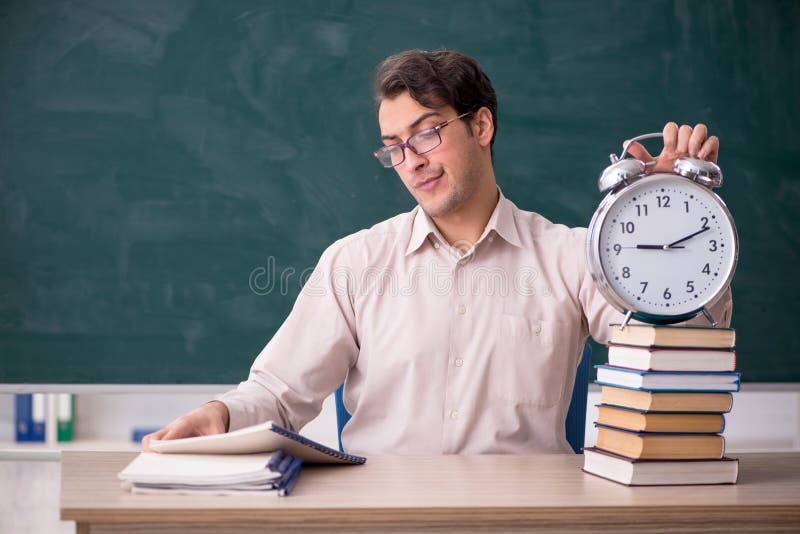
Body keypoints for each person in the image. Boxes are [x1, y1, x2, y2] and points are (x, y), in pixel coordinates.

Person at [143, 49, 731, 454]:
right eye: (394, 147)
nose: (412, 160)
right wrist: (218, 416)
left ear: (481, 127)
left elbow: (674, 349)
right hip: (381, 520)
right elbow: (278, 393)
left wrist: (669, 213)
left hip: (528, 522)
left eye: (426, 133)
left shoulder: (575, 256)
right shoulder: (354, 262)